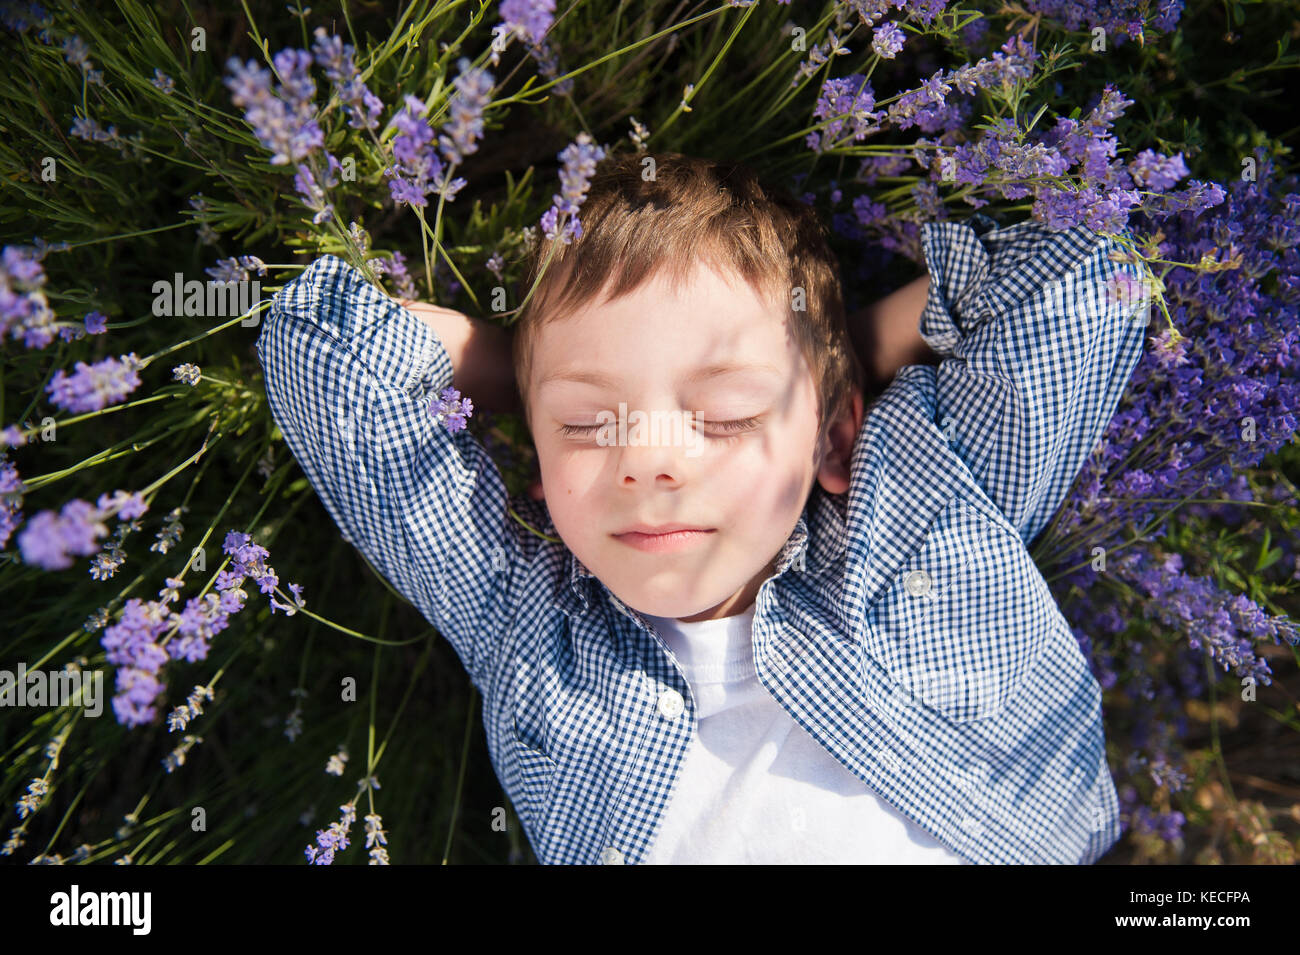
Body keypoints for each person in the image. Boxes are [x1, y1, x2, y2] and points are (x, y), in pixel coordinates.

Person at [255, 151, 1149, 864]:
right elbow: (321, 342)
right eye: (587, 423)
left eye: (724, 414)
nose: (648, 460)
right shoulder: (526, 617)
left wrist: (838, 364)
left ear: (836, 440)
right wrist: (522, 369)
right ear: (536, 456)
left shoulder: (914, 511)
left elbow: (1086, 275)